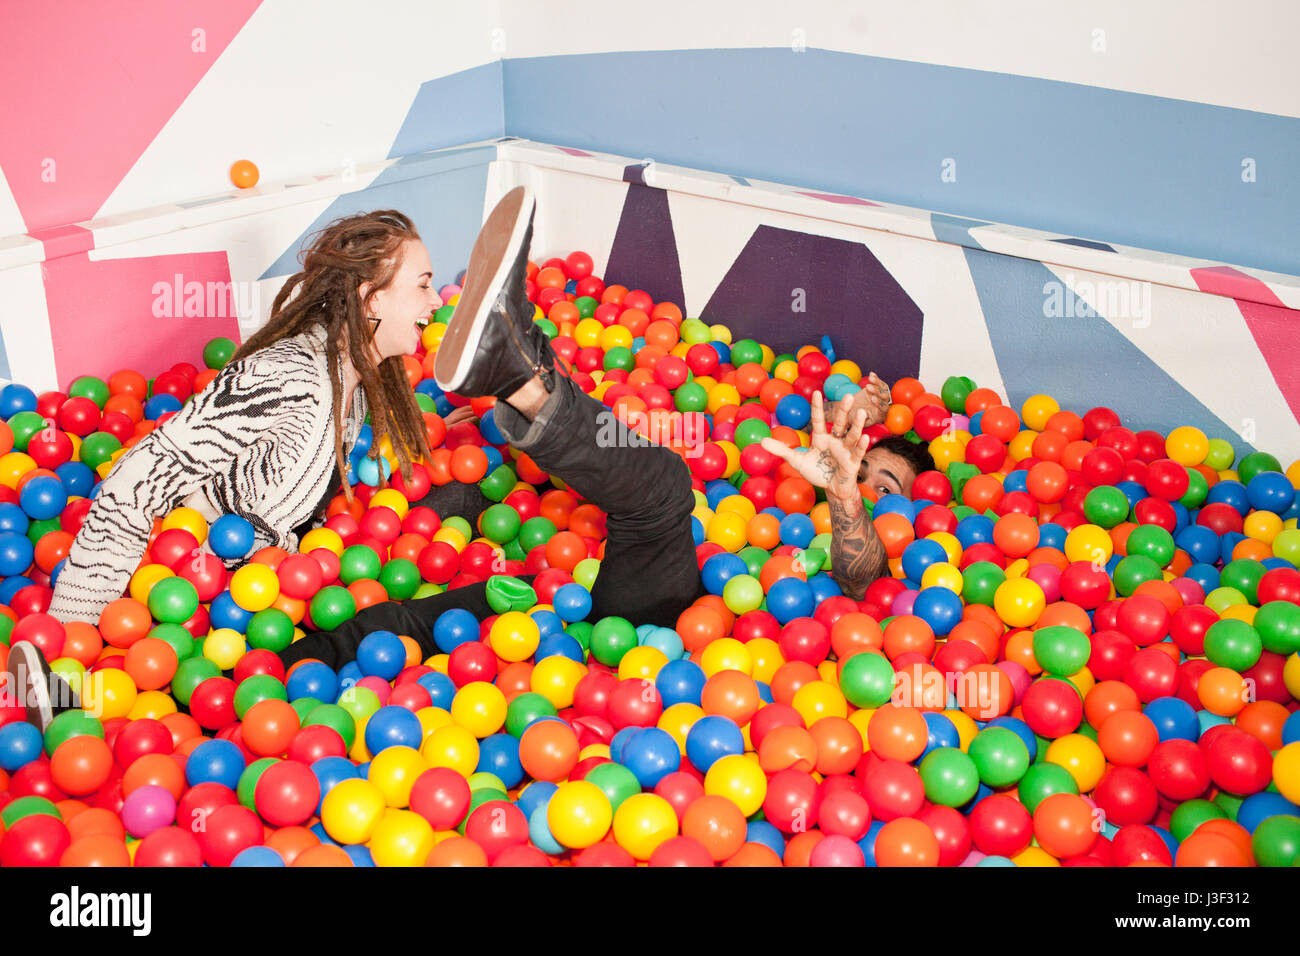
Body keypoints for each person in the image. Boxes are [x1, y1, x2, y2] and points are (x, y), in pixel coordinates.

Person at [279, 185, 935, 670]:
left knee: (663, 486)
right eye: (873, 469)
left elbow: (862, 579)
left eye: (889, 489)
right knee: (410, 616)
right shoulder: (787, 462)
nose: (871, 484)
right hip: (565, 595)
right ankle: (514, 337)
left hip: (662, 636)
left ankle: (510, 360)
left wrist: (848, 498)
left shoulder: (892, 565)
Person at [10, 209, 444, 730]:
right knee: (381, 626)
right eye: (423, 286)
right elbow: (131, 485)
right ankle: (91, 699)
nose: (436, 300)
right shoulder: (287, 377)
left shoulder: (352, 368)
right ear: (372, 299)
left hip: (270, 584)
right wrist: (67, 636)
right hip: (188, 601)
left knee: (453, 504)